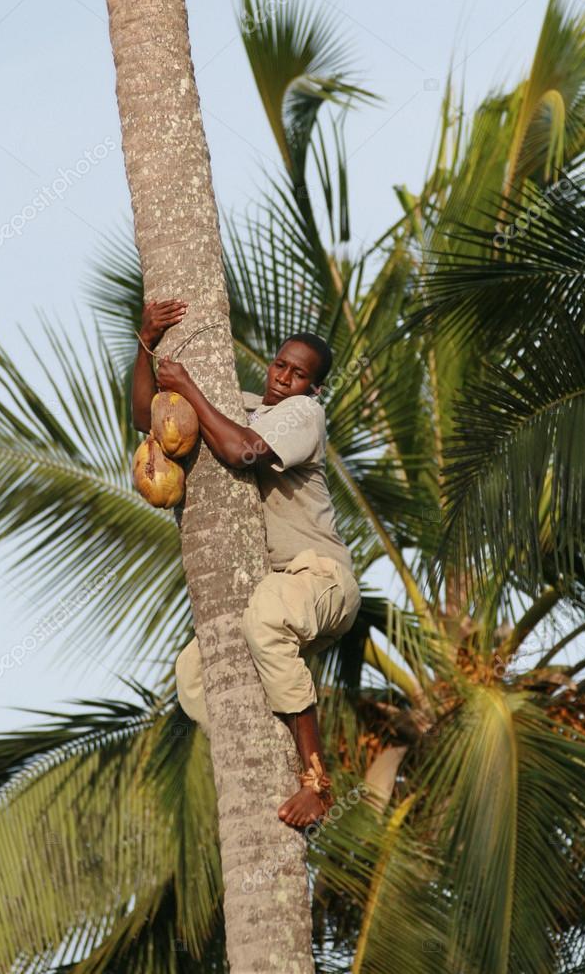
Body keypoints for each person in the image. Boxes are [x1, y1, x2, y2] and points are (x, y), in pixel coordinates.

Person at [131, 297, 361, 828]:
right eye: (280, 365)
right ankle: (263, 750)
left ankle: (318, 781)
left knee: (264, 617)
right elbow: (150, 415)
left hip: (319, 578)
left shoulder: (303, 416)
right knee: (194, 671)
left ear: (314, 387)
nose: (283, 378)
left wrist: (190, 388)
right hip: (283, 590)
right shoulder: (248, 406)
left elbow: (244, 453)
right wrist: (145, 342)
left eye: (298, 374)